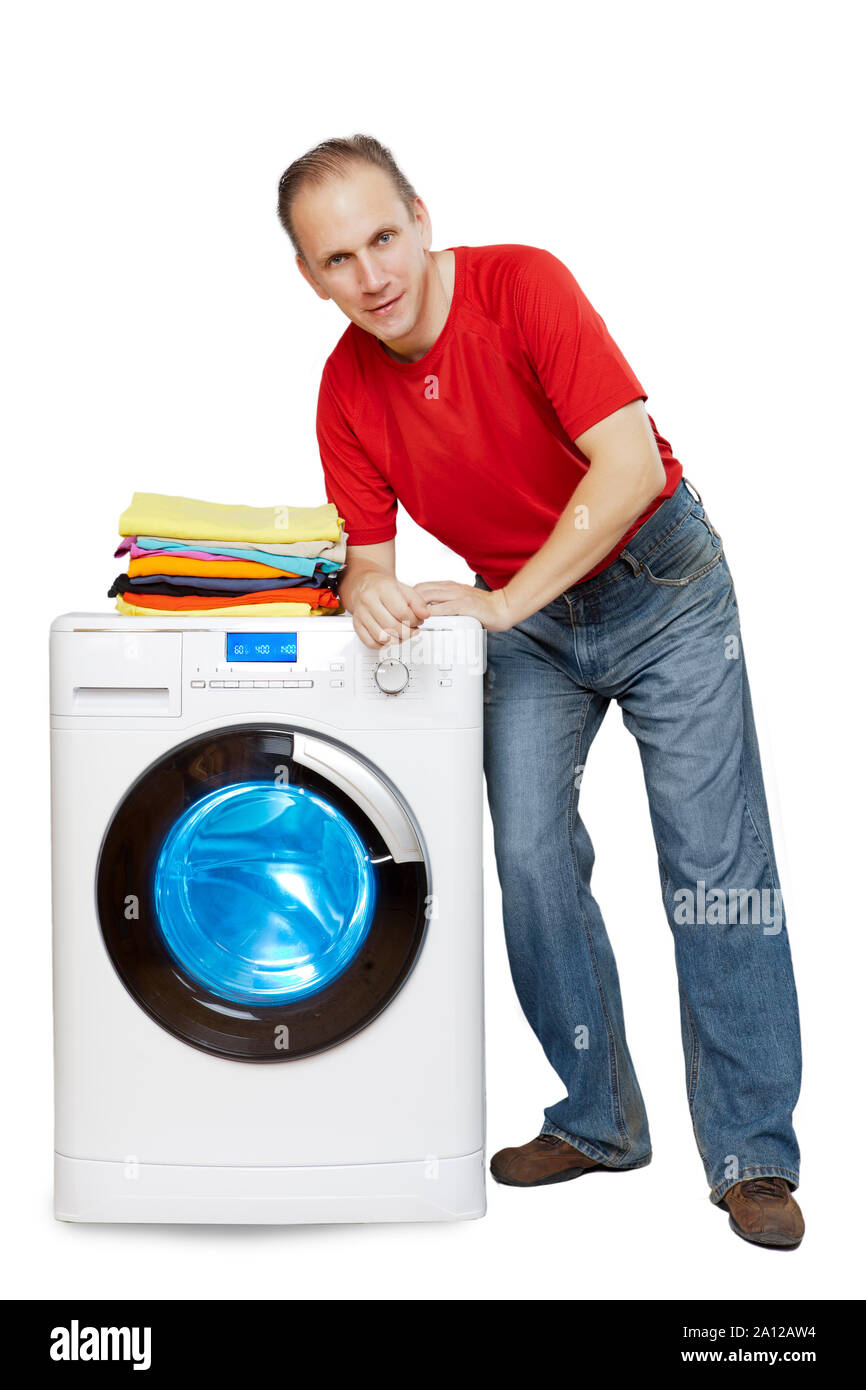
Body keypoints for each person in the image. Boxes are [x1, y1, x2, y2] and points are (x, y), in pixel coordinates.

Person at [276, 133, 804, 1249]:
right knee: (525, 859)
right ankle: (597, 1117)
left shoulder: (522, 284)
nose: (370, 274)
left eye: (381, 237)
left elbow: (622, 467)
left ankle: (752, 1150)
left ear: (420, 216)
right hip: (526, 620)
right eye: (336, 259)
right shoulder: (343, 388)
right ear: (307, 276)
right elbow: (367, 557)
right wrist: (370, 596)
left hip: (658, 584)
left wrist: (506, 601)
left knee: (715, 868)